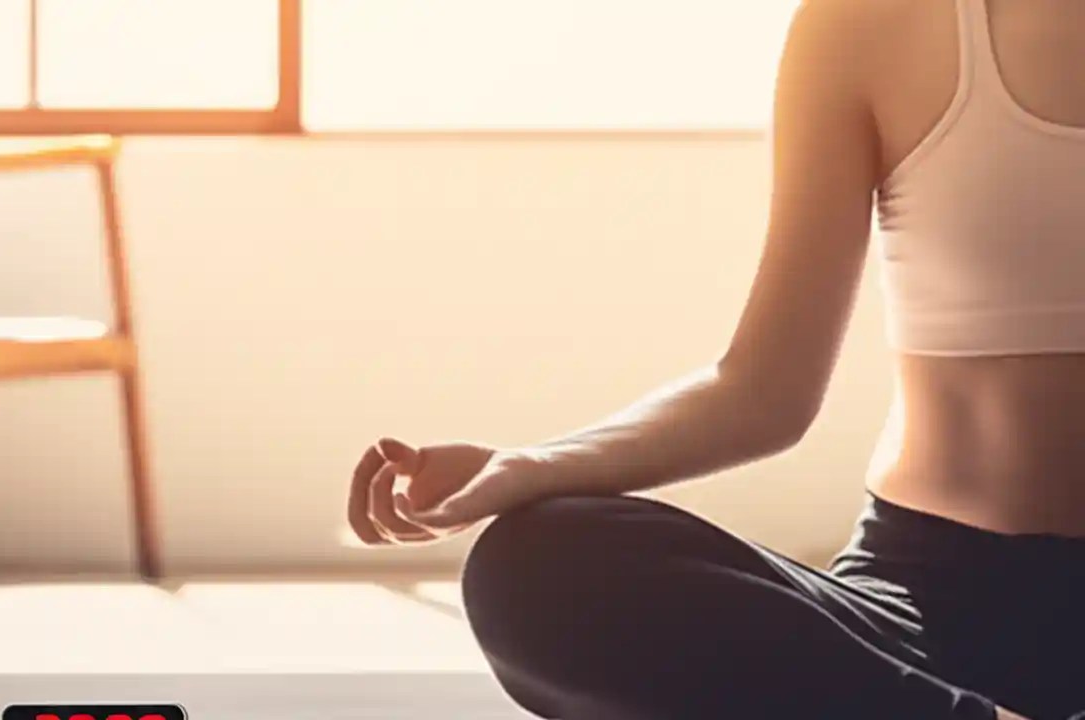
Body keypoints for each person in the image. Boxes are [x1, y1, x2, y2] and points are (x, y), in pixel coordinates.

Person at [345, 0, 1085, 717]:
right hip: (914, 606)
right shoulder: (863, 26)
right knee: (535, 570)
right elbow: (762, 392)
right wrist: (531, 467)